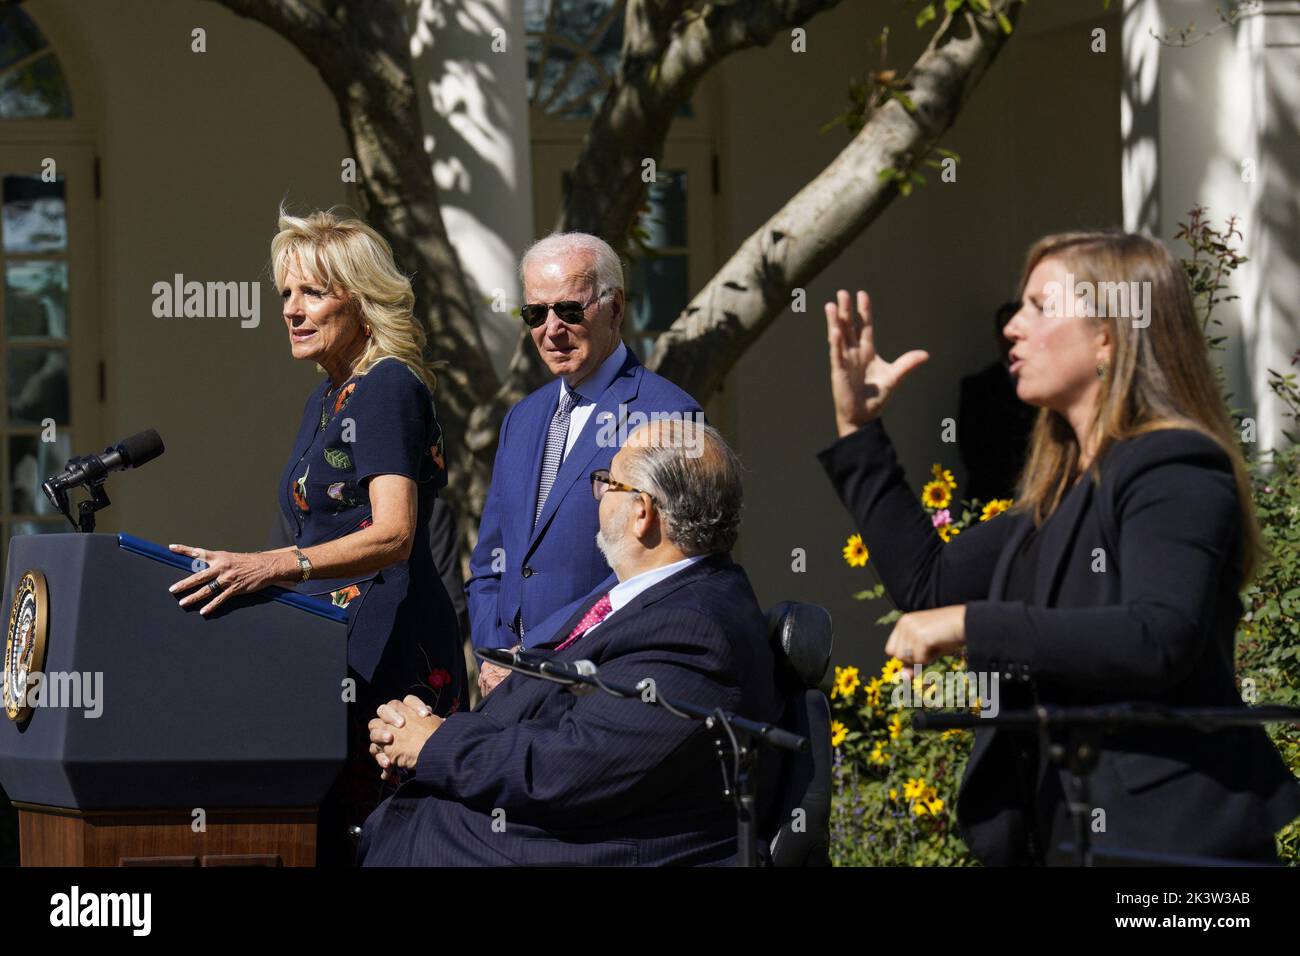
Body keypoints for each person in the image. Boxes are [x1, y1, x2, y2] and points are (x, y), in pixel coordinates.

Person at [818, 231, 1300, 865]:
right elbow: (929, 586)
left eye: (1040, 307)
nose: (1013, 327)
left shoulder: (1176, 465)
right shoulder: (1059, 492)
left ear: (1109, 335)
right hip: (1067, 839)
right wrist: (859, 429)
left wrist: (972, 624)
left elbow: (1159, 637)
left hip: (1174, 854)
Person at [167, 208, 466, 864]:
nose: (292, 310)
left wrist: (270, 566)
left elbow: (393, 534)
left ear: (361, 301)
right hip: (331, 648)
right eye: (284, 295)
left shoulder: (388, 387)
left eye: (312, 293)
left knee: (383, 842)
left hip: (394, 650)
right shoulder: (328, 398)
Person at [356, 420, 783, 866]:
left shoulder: (693, 631)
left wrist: (437, 745)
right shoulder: (649, 594)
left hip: (592, 843)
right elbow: (553, 716)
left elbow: (570, 769)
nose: (597, 494)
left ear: (643, 513)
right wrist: (423, 730)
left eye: (608, 482)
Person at [468, 232, 702, 698]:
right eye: (535, 313)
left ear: (614, 309)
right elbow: (491, 565)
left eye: (569, 311)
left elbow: (666, 574)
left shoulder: (668, 416)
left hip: (600, 687)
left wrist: (544, 663)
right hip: (507, 688)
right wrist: (494, 656)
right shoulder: (522, 418)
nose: (551, 329)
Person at [957, 301, 1037, 503]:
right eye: (1005, 329)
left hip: (1036, 490)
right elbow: (962, 438)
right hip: (990, 493)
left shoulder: (1046, 381)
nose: (1011, 337)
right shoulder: (977, 386)